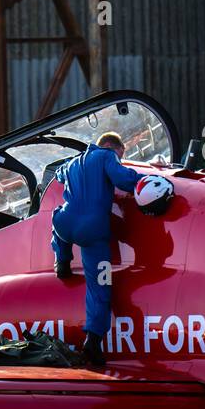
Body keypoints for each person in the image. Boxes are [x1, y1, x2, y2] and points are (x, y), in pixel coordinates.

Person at [51, 132, 140, 365]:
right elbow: (123, 179)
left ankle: (62, 260)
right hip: (93, 232)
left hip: (65, 225)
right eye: (121, 154)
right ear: (113, 147)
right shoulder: (107, 156)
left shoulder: (71, 162)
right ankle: (92, 342)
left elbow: (58, 175)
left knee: (58, 217)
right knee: (100, 287)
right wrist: (140, 179)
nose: (120, 158)